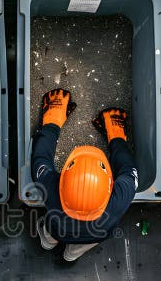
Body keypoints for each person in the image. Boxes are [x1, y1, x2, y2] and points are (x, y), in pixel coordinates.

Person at [31, 88, 138, 261]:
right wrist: (116, 136)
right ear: (110, 185)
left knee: (50, 234)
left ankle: (48, 243)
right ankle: (71, 254)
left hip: (59, 230)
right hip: (96, 235)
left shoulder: (51, 189)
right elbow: (128, 168)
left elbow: (41, 158)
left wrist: (52, 120)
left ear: (62, 182)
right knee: (80, 248)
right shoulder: (120, 198)